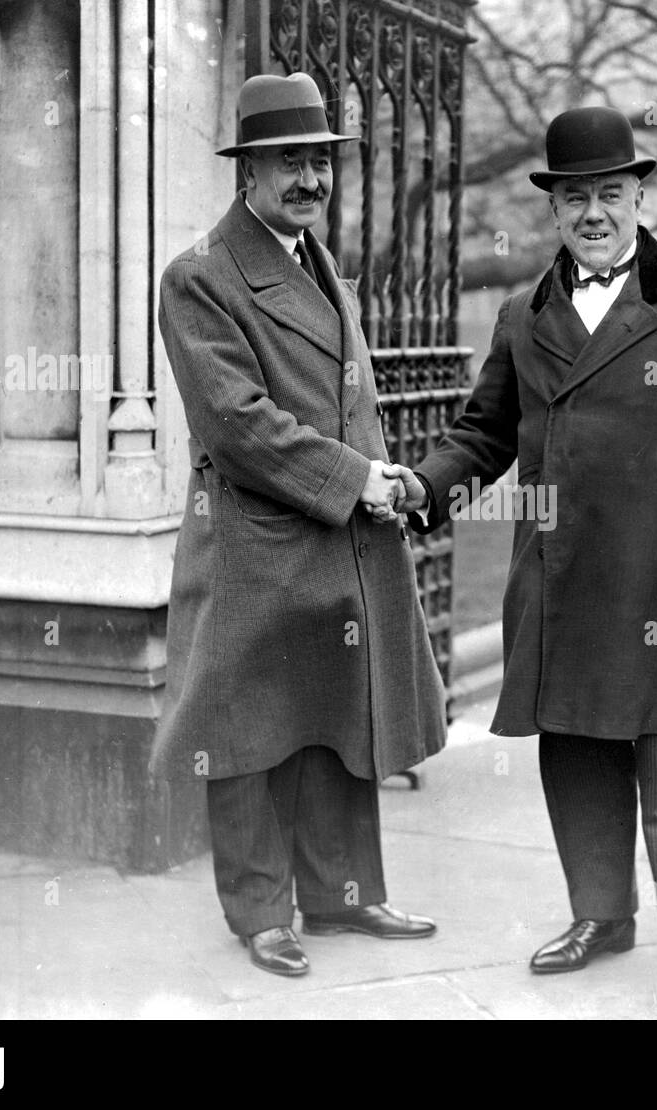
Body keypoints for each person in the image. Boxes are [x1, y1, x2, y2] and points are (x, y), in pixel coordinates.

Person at [391, 106, 657, 1014]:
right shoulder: (521, 314)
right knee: (576, 749)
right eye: (575, 198)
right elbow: (483, 434)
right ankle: (601, 917)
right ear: (555, 208)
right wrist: (425, 490)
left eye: (610, 193)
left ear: (639, 196)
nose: (594, 213)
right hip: (564, 572)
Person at [152, 73, 446, 978]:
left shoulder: (322, 265)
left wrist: (383, 476)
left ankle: (344, 897)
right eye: (291, 161)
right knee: (249, 733)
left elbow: (347, 404)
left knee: (339, 719)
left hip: (343, 531)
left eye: (320, 160)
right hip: (257, 541)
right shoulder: (201, 277)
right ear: (249, 172)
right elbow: (237, 424)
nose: (311, 178)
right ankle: (259, 913)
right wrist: (358, 480)